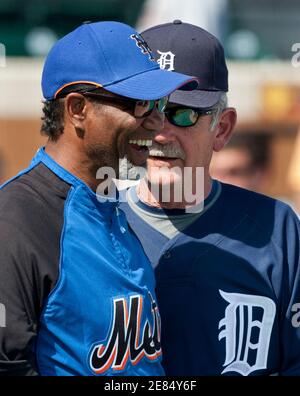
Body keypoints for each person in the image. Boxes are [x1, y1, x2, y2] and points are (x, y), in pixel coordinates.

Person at [0, 21, 198, 376]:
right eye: (140, 103)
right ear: (78, 108)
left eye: (160, 103)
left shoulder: (108, 204)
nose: (156, 121)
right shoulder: (17, 218)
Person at [120, 21, 300, 376]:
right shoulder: (89, 225)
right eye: (147, 111)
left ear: (222, 128)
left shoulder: (278, 230)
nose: (159, 134)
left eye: (182, 113)